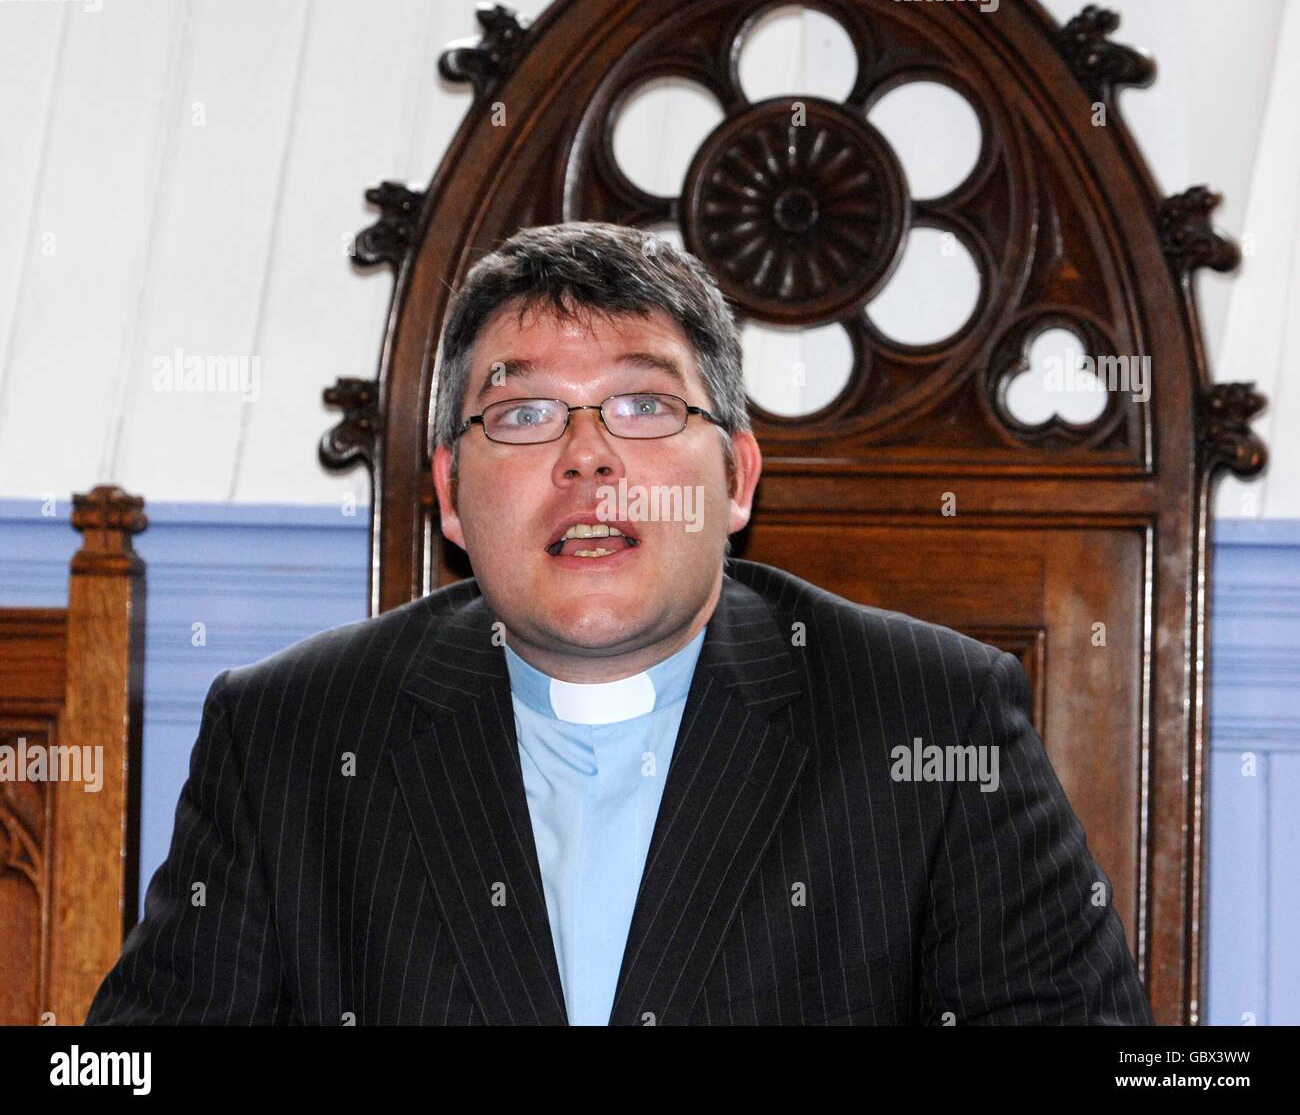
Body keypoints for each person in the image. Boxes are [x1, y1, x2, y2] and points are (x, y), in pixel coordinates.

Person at [86, 221, 1153, 1025]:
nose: (587, 458)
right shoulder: (290, 736)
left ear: (734, 477)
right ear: (451, 495)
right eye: (524, 414)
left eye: (643, 407)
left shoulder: (932, 718)